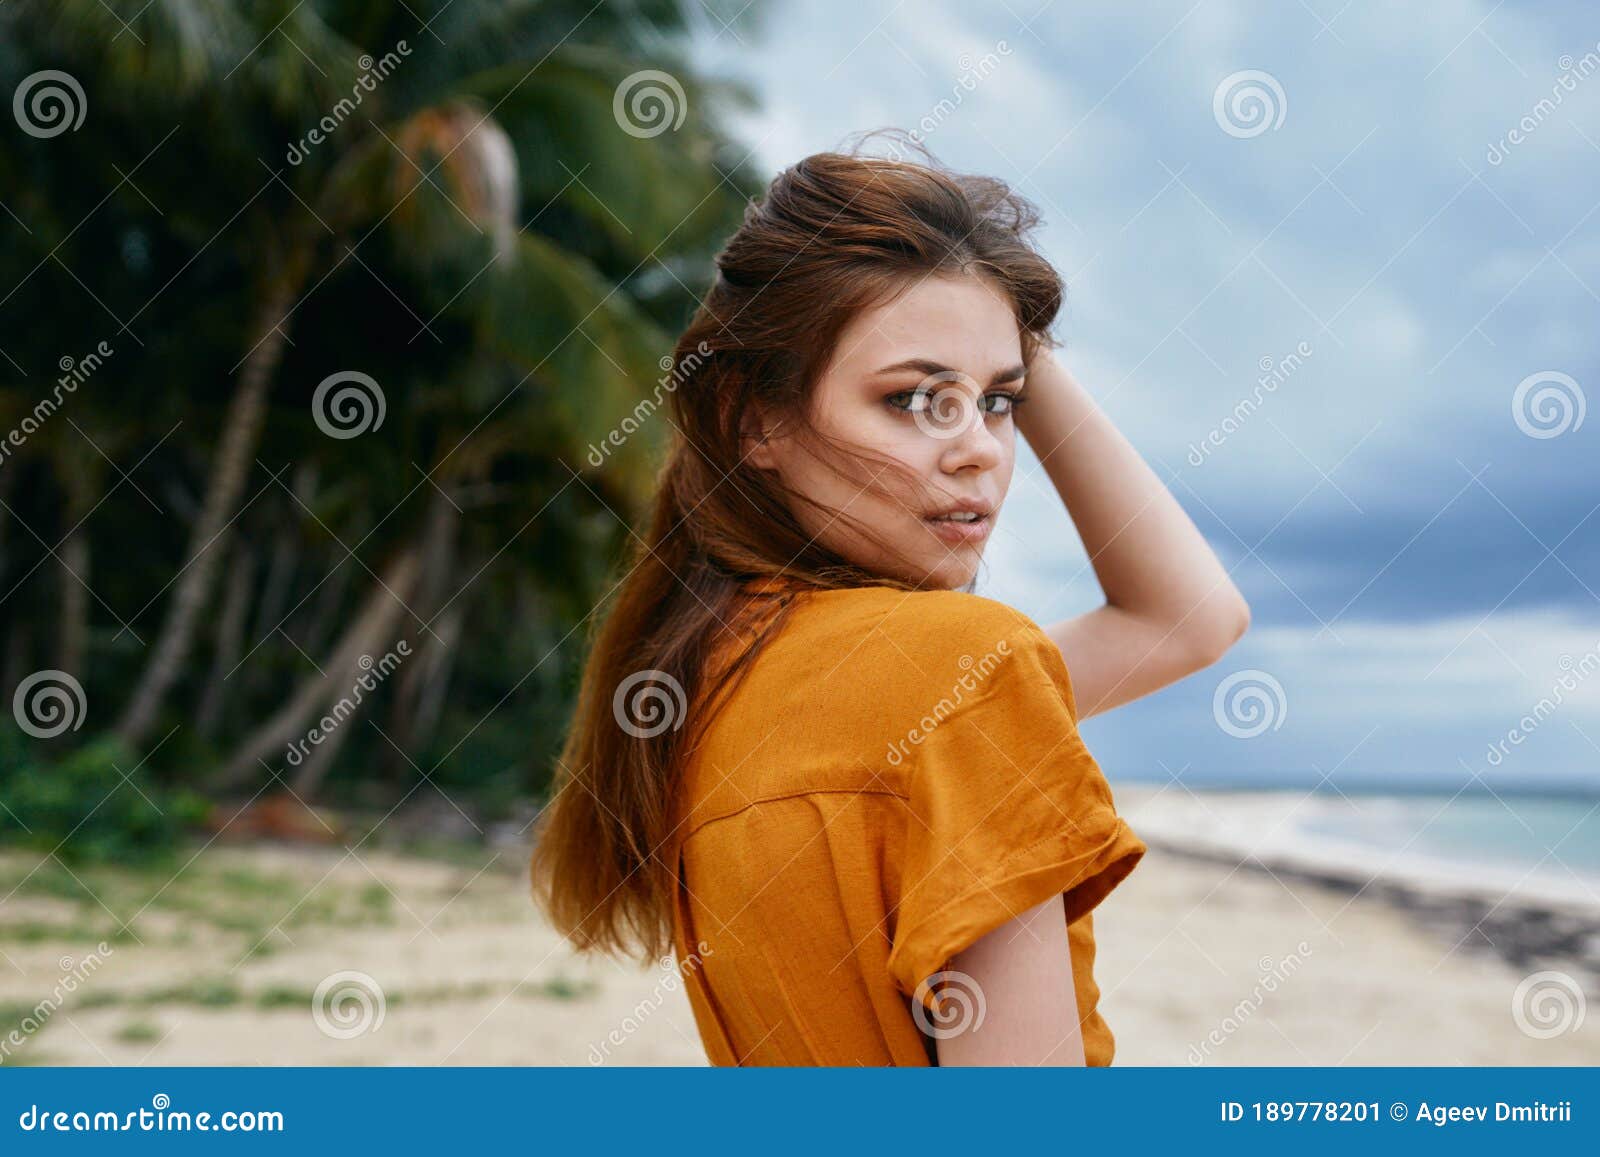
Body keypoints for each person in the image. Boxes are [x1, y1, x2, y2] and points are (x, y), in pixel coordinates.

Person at [529, 135, 1250, 1066]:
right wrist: (997, 336)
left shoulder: (708, 678)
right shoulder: (961, 673)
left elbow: (1189, 620)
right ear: (756, 420)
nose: (979, 448)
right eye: (913, 399)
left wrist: (991, 317)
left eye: (1000, 401)